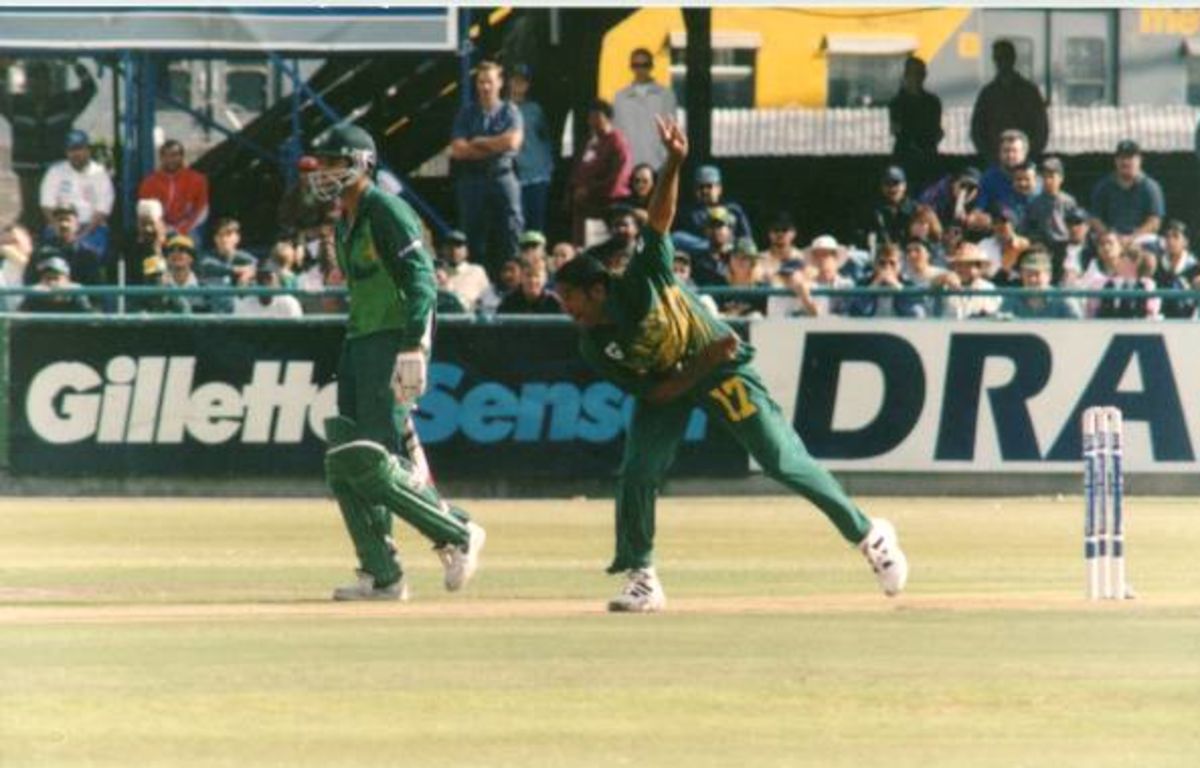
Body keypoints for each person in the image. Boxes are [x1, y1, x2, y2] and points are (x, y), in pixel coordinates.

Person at [552, 117, 907, 612]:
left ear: (597, 289)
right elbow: (655, 396)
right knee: (637, 471)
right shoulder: (593, 344)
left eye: (570, 298)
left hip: (723, 367)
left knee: (781, 459)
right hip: (673, 379)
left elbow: (659, 219)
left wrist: (675, 162)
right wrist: (698, 365)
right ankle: (643, 578)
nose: (567, 310)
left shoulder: (638, 280)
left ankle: (870, 534)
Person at [308, 123, 485, 601]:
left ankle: (457, 532)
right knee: (344, 457)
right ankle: (381, 572)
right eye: (322, 163)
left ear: (361, 164)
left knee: (376, 461)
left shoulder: (386, 210)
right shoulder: (344, 219)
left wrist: (414, 347)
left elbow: (422, 282)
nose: (323, 172)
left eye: (332, 162)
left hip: (392, 341)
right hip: (359, 340)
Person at [0, 59, 97, 231]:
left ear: (50, 83)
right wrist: (4, 66)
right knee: (31, 214)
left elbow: (89, 89)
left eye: (43, 80)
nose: (38, 85)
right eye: (33, 80)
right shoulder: (17, 105)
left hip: (57, 170)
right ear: (26, 83)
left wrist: (75, 64)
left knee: (56, 213)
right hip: (28, 171)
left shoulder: (64, 103)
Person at [450, 61, 524, 280]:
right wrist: (495, 145)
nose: (485, 87)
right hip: (473, 180)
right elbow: (458, 150)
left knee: (510, 232)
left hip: (502, 177)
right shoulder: (467, 113)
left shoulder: (510, 112)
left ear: (499, 83)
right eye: (481, 82)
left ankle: (512, 282)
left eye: (489, 82)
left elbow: (512, 143)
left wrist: (479, 141)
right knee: (472, 234)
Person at [970, 40, 1048, 164]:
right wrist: (990, 156)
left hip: (1025, 161)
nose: (1001, 62)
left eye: (1005, 57)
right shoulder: (988, 93)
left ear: (1013, 59)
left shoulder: (1029, 92)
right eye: (998, 58)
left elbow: (1041, 128)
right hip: (995, 160)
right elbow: (977, 129)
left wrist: (1029, 155)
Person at [567, 99, 632, 246]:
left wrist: (590, 190)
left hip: (607, 205)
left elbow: (619, 176)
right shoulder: (592, 142)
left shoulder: (617, 141)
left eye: (597, 118)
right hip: (584, 207)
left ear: (608, 118)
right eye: (590, 118)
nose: (592, 122)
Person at [38, 129, 114, 255]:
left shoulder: (100, 174)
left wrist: (82, 235)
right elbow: (46, 205)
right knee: (49, 257)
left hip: (91, 228)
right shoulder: (55, 172)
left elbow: (103, 211)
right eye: (71, 150)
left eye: (79, 148)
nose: (75, 154)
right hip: (60, 225)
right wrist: (60, 229)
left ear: (88, 150)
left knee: (88, 255)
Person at [612, 48, 678, 170]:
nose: (640, 69)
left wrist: (664, 159)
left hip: (658, 164)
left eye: (645, 65)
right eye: (636, 65)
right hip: (629, 165)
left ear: (651, 66)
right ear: (631, 67)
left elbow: (672, 129)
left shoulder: (665, 95)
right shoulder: (620, 97)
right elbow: (617, 131)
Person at [1089, 140, 1165, 243]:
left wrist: (1132, 238)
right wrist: (1110, 236)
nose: (1125, 162)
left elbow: (1154, 221)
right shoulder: (1104, 186)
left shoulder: (1150, 187)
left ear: (1139, 160)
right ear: (1115, 160)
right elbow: (1095, 218)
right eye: (1121, 158)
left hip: (1141, 239)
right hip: (1110, 239)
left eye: (1130, 158)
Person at [508, 64, 554, 233]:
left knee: (536, 226)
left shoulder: (535, 109)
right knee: (515, 225)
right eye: (515, 80)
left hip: (536, 175)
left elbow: (545, 139)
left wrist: (548, 168)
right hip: (513, 177)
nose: (519, 85)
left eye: (523, 81)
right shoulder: (502, 110)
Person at [888, 55, 943, 192]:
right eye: (913, 73)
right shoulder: (897, 103)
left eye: (919, 73)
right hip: (905, 158)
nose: (916, 77)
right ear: (906, 75)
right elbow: (897, 130)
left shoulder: (933, 103)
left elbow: (936, 129)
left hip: (928, 159)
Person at [136, 139, 210, 239]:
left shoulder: (197, 179)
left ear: (182, 157)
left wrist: (183, 228)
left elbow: (202, 210)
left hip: (189, 228)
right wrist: (161, 228)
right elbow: (146, 211)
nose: (170, 159)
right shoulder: (149, 182)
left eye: (174, 155)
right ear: (161, 158)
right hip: (160, 229)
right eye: (166, 155)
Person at [1022, 156, 1078, 271]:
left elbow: (1074, 225)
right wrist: (1035, 241)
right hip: (1042, 245)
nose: (1048, 181)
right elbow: (1030, 226)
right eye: (1044, 177)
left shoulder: (1068, 201)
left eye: (1052, 177)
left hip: (1063, 245)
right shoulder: (1035, 203)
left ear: (1061, 178)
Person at [999, 246, 1082, 319]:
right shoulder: (1011, 300)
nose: (1032, 279)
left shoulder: (1064, 300)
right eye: (1028, 274)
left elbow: (1078, 329)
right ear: (1022, 275)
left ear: (1049, 276)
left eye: (1037, 274)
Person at [848, 243, 925, 318]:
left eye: (892, 263)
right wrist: (872, 289)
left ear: (900, 265)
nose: (887, 267)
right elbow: (855, 313)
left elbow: (916, 314)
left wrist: (900, 290)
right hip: (870, 329)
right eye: (882, 263)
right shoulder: (863, 283)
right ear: (875, 264)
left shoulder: (909, 284)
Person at [197, 217, 257, 313]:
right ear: (215, 239)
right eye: (220, 235)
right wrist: (237, 270)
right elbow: (207, 266)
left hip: (241, 312)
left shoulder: (247, 260)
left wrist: (249, 274)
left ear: (237, 238)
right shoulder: (207, 259)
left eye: (228, 235)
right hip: (212, 312)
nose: (224, 239)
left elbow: (257, 267)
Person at [977, 130, 1040, 218]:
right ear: (999, 153)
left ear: (1024, 154)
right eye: (1006, 151)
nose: (1010, 155)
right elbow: (979, 208)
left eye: (1015, 151)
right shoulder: (989, 178)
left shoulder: (1039, 179)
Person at [939, 242, 1001, 319]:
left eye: (968, 265)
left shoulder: (988, 288)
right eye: (959, 265)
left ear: (978, 268)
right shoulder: (945, 286)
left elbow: (990, 315)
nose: (962, 269)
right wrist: (943, 278)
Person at [1152, 219, 1200, 319]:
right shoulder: (1156, 265)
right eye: (1167, 237)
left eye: (1175, 236)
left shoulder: (1195, 267)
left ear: (1185, 242)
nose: (1170, 241)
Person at [1097, 245, 1160, 320]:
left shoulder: (1146, 284)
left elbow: (1152, 310)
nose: (1120, 264)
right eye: (1121, 261)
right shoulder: (1108, 283)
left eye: (1126, 262)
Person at [19, 252, 92, 313]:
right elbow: (17, 321)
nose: (52, 283)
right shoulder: (35, 295)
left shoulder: (76, 293)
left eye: (55, 278)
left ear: (67, 279)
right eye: (48, 278)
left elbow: (92, 321)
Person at [716, 237, 769, 318]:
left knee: (755, 316)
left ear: (753, 262)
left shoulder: (762, 288)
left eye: (745, 258)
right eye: (736, 256)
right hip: (724, 328)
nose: (740, 261)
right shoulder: (719, 284)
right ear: (729, 260)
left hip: (753, 329)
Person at [439, 229, 491, 311]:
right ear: (443, 249)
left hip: (468, 320)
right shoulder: (435, 273)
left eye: (459, 246)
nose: (454, 250)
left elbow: (488, 301)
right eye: (449, 246)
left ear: (466, 251)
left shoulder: (477, 272)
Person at [919, 166, 983, 230]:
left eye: (971, 188)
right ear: (954, 183)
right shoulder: (937, 193)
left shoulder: (978, 201)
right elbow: (924, 211)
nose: (965, 191)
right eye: (963, 185)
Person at [233, 261, 303, 318]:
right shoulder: (245, 303)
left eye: (269, 278)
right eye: (260, 277)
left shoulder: (289, 303)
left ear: (277, 281)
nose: (264, 282)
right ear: (255, 280)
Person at [870, 165, 918, 247]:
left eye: (896, 183)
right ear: (882, 187)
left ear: (904, 186)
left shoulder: (917, 210)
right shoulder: (873, 211)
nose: (892, 188)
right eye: (887, 184)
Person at [496, 257, 563, 314]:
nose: (532, 281)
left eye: (537, 276)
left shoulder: (554, 302)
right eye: (528, 275)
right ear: (521, 277)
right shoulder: (508, 302)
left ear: (545, 279)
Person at [163, 234, 205, 313]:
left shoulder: (203, 286)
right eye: (171, 250)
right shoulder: (160, 285)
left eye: (182, 250)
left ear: (191, 258)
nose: (176, 254)